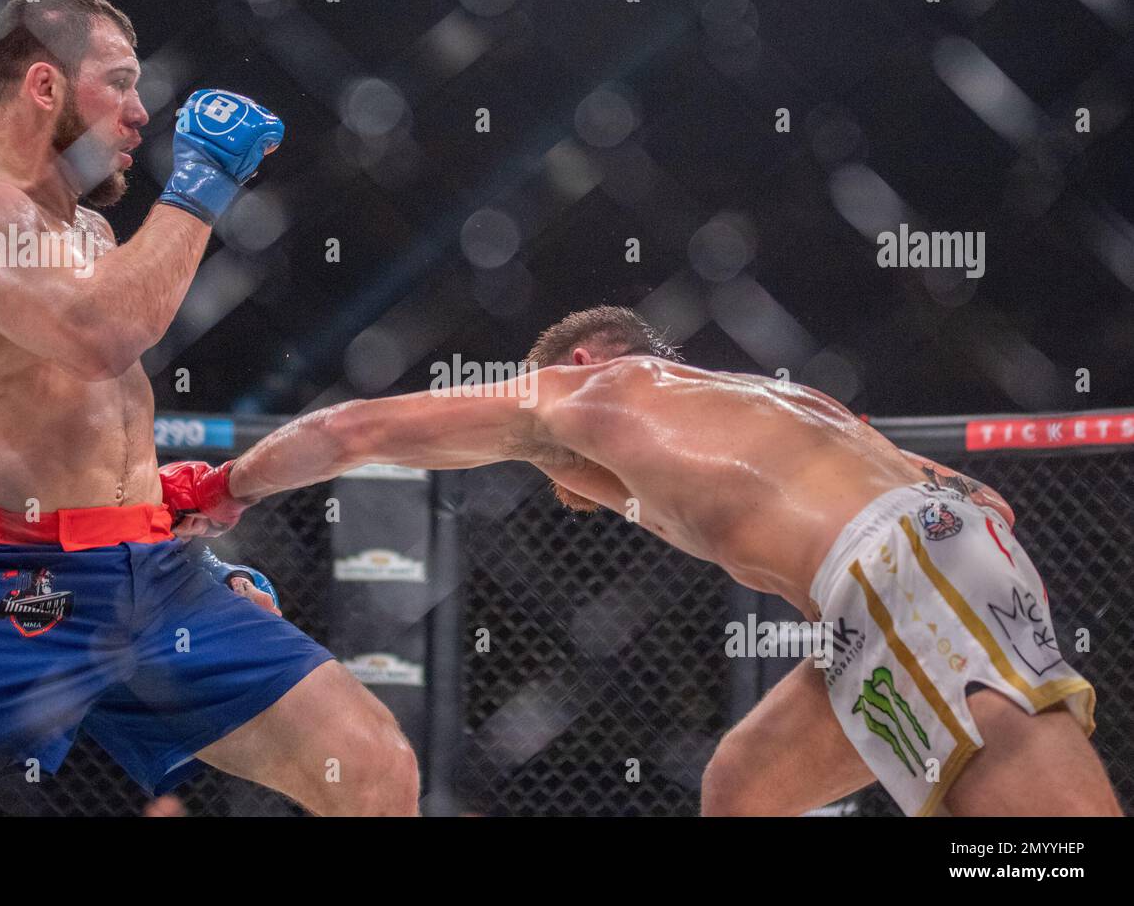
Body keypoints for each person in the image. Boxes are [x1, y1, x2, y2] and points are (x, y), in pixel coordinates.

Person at [0, 0, 417, 817]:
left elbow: (96, 394)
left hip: (159, 575)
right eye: (119, 81)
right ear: (44, 87)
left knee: (375, 767)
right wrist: (205, 183)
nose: (144, 112)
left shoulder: (93, 233)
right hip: (19, 581)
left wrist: (144, 489)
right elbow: (100, 334)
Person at [177, 305, 1120, 816]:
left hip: (896, 572)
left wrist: (232, 488)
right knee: (745, 785)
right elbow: (978, 499)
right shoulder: (784, 402)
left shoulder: (587, 392)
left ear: (585, 355)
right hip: (907, 572)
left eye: (562, 477)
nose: (571, 489)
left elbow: (353, 428)